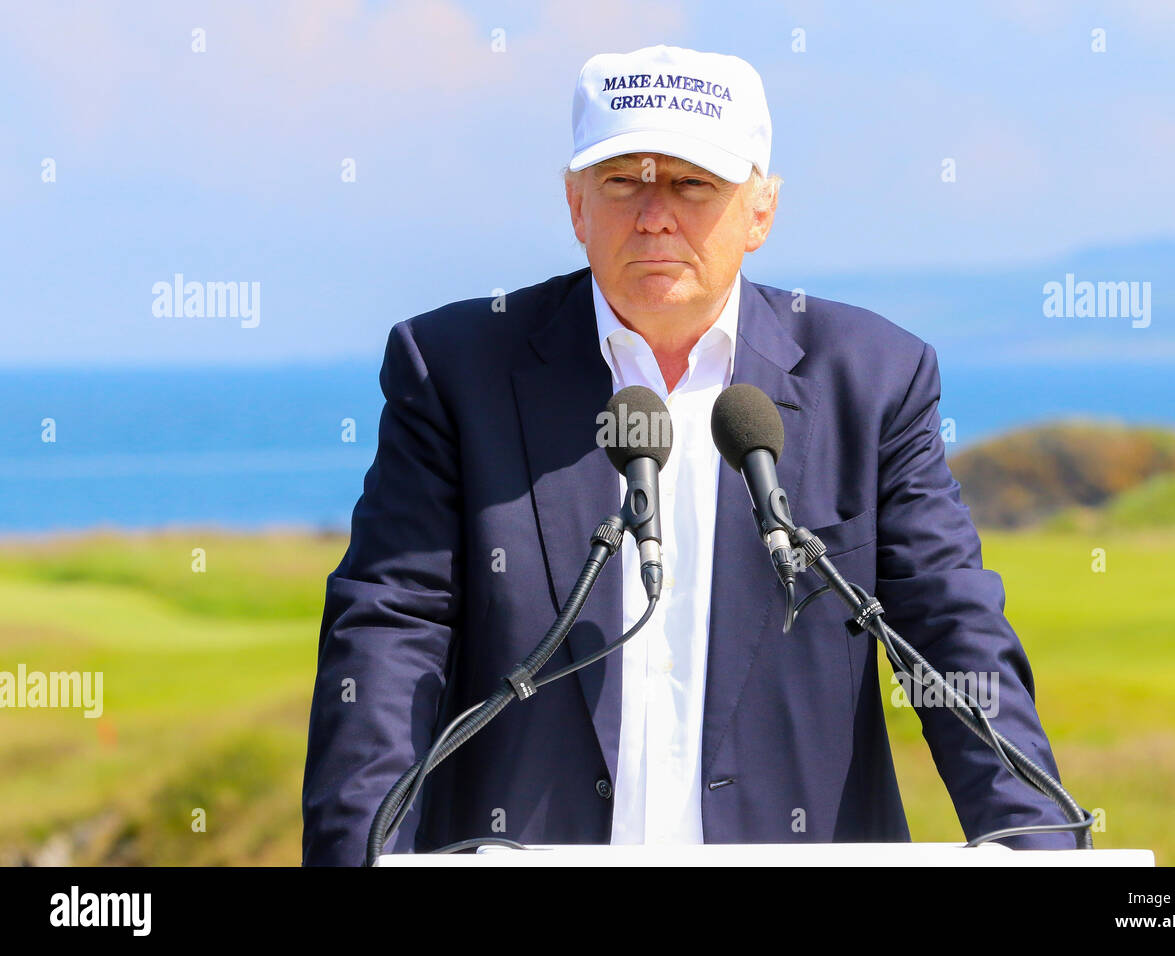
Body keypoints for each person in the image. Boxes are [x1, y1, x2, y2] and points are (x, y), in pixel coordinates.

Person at [301, 43, 1076, 865]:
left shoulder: (874, 378)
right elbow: (391, 632)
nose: (654, 213)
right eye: (623, 180)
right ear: (575, 204)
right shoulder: (455, 368)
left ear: (761, 210)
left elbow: (950, 629)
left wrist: (1035, 847)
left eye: (693, 184)